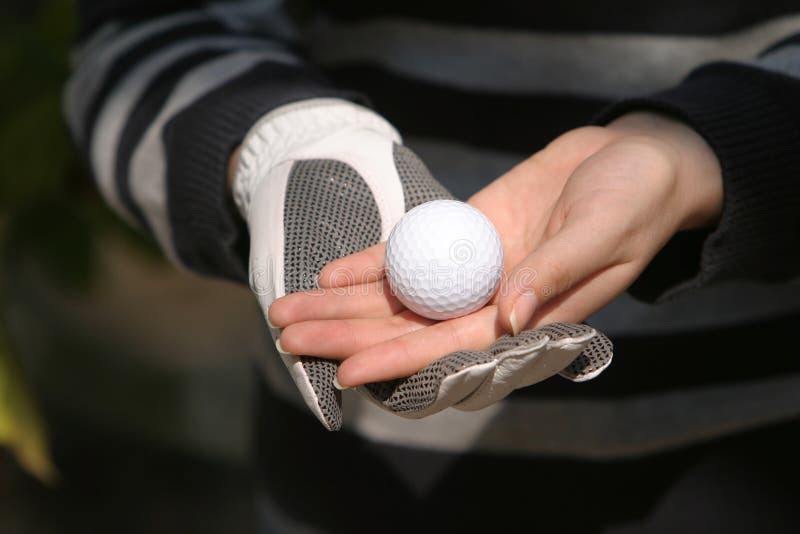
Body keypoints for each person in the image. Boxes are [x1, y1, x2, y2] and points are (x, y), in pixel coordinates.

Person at [65, 0, 800, 532]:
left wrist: (711, 150)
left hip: (759, 461)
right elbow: (142, 29)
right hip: (368, 481)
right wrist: (279, 142)